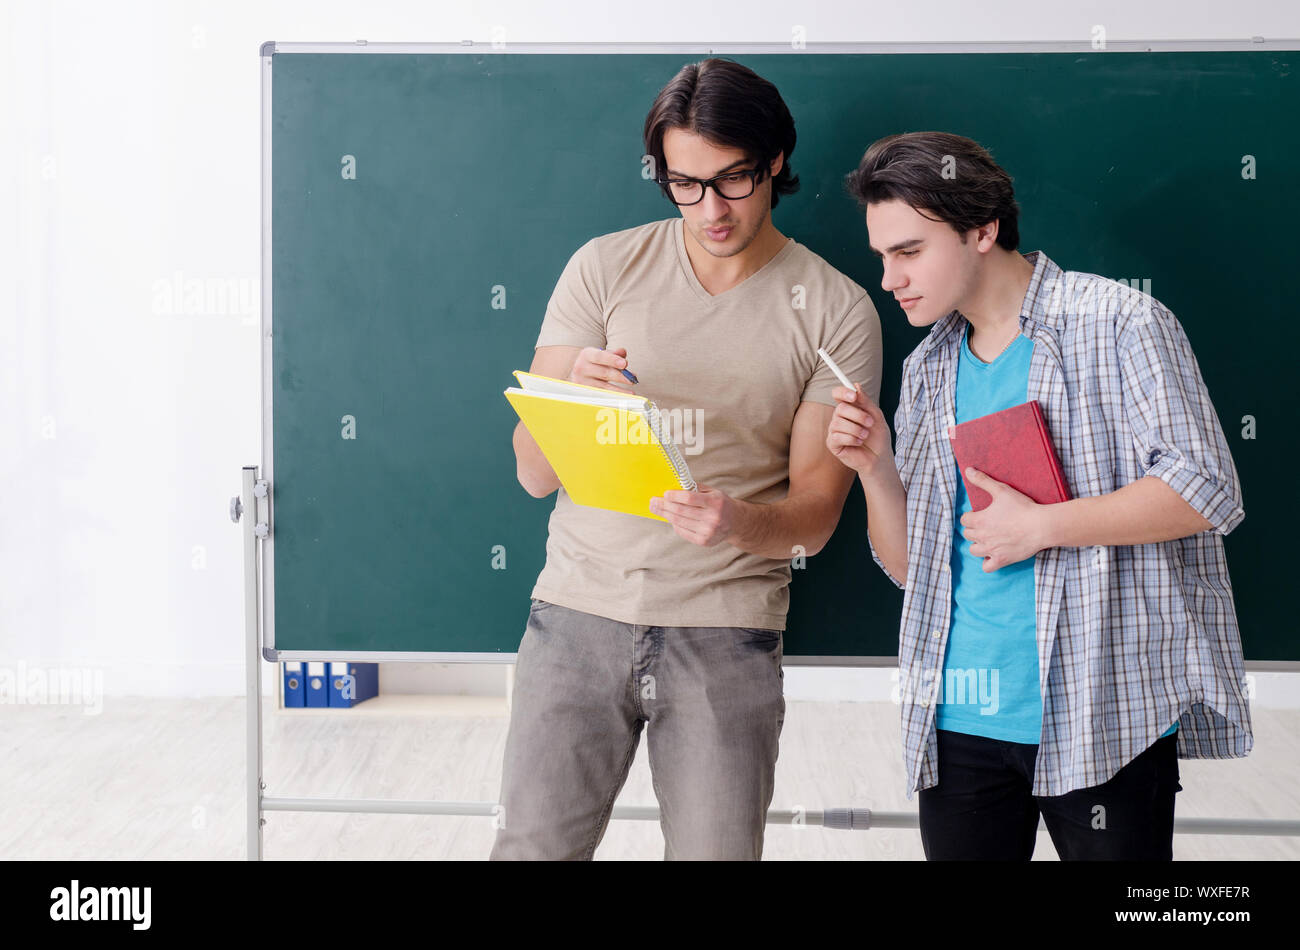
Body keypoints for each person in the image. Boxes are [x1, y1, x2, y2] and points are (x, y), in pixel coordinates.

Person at [489, 58, 882, 861]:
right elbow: (532, 473)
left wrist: (738, 521)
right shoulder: (603, 268)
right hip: (575, 615)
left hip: (723, 630)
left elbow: (814, 519)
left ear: (775, 160)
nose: (710, 209)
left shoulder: (837, 309)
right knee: (531, 852)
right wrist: (577, 404)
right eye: (684, 184)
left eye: (733, 180)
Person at [826, 131, 1251, 860]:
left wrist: (1045, 526)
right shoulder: (929, 368)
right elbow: (911, 569)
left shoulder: (1120, 324)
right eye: (882, 258)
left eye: (909, 251)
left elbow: (1206, 488)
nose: (890, 279)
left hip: (1102, 711)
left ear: (983, 229)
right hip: (959, 718)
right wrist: (874, 467)